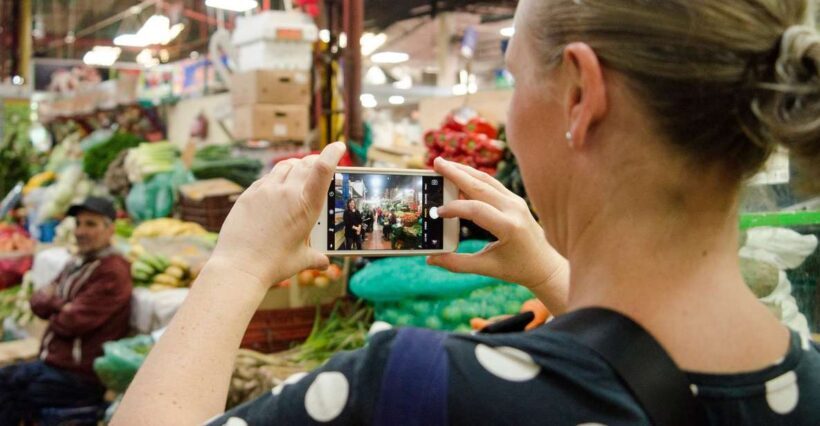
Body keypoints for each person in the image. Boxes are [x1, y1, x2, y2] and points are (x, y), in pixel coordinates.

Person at [113, 0, 820, 424]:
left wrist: (237, 265)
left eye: (512, 75)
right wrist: (548, 268)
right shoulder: (808, 377)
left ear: (580, 94)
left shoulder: (416, 392)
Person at [0, 196, 132, 424]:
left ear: (110, 230)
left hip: (78, 376)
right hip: (51, 364)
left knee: (12, 392)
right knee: (6, 381)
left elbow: (71, 321)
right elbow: (37, 302)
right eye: (78, 224)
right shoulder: (76, 263)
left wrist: (55, 302)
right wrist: (60, 305)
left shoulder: (112, 271)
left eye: (91, 224)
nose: (81, 231)